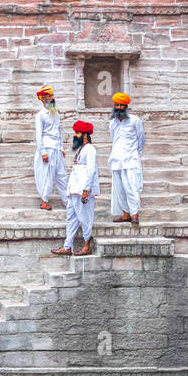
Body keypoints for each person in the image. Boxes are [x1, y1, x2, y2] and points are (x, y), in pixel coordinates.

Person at [52, 121, 99, 257]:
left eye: (77, 133)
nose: (75, 135)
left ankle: (86, 246)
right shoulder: (81, 149)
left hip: (83, 191)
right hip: (74, 190)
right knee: (71, 218)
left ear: (85, 135)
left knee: (85, 217)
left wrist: (86, 189)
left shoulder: (90, 149)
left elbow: (91, 171)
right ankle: (67, 246)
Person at [109, 91, 145, 224]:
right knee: (119, 189)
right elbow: (114, 139)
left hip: (130, 159)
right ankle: (125, 214)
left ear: (125, 106)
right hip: (116, 159)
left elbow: (141, 139)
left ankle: (134, 214)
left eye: (120, 105)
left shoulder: (135, 120)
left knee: (131, 187)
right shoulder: (113, 122)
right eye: (116, 105)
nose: (118, 107)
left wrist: (136, 154)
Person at [33, 85, 68, 211]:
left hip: (57, 149)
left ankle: (67, 201)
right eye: (49, 96)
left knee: (62, 175)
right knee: (46, 175)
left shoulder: (54, 112)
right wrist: (42, 152)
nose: (52, 98)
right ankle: (44, 201)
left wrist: (61, 147)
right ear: (43, 98)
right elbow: (39, 135)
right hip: (47, 148)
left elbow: (58, 131)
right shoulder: (40, 115)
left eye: (52, 96)